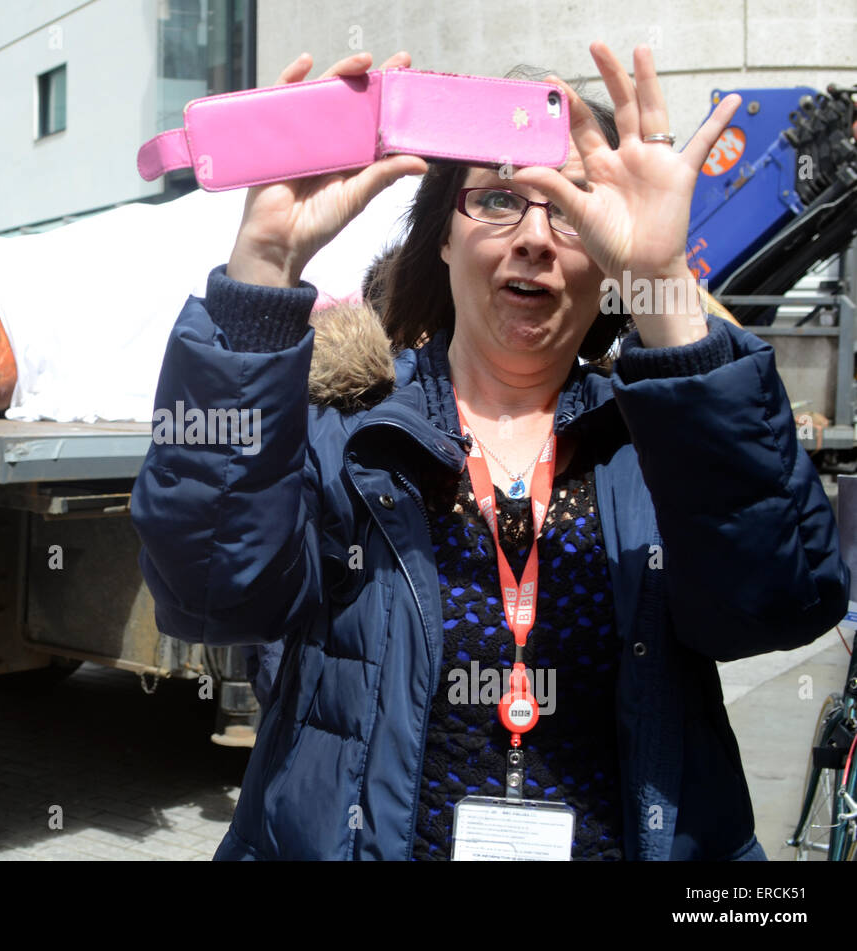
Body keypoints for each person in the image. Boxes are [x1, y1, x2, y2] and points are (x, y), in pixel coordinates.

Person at [130, 41, 851, 861]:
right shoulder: (348, 431)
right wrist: (264, 268)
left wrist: (664, 284)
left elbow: (780, 603)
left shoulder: (664, 442)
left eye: (573, 204)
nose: (537, 236)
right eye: (500, 198)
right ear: (442, 238)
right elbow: (210, 593)